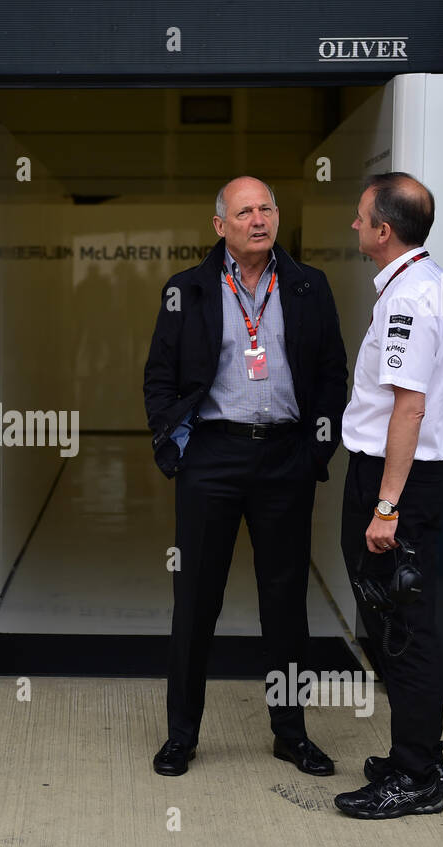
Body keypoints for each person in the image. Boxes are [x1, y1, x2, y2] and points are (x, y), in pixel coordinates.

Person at [143, 176, 348, 777]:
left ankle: (291, 733)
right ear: (220, 225)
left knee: (285, 604)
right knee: (196, 601)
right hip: (213, 457)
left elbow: (333, 374)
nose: (259, 219)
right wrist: (176, 443)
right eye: (244, 211)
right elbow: (158, 377)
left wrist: (316, 452)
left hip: (285, 458)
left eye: (267, 208)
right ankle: (182, 735)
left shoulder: (310, 286)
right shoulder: (188, 290)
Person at [333, 172, 443, 818]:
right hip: (412, 473)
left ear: (383, 230)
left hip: (391, 480)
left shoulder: (409, 299)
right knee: (396, 617)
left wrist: (385, 504)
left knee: (404, 628)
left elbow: (407, 407)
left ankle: (418, 775)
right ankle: (415, 753)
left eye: (359, 218)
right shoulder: (442, 288)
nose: (354, 226)